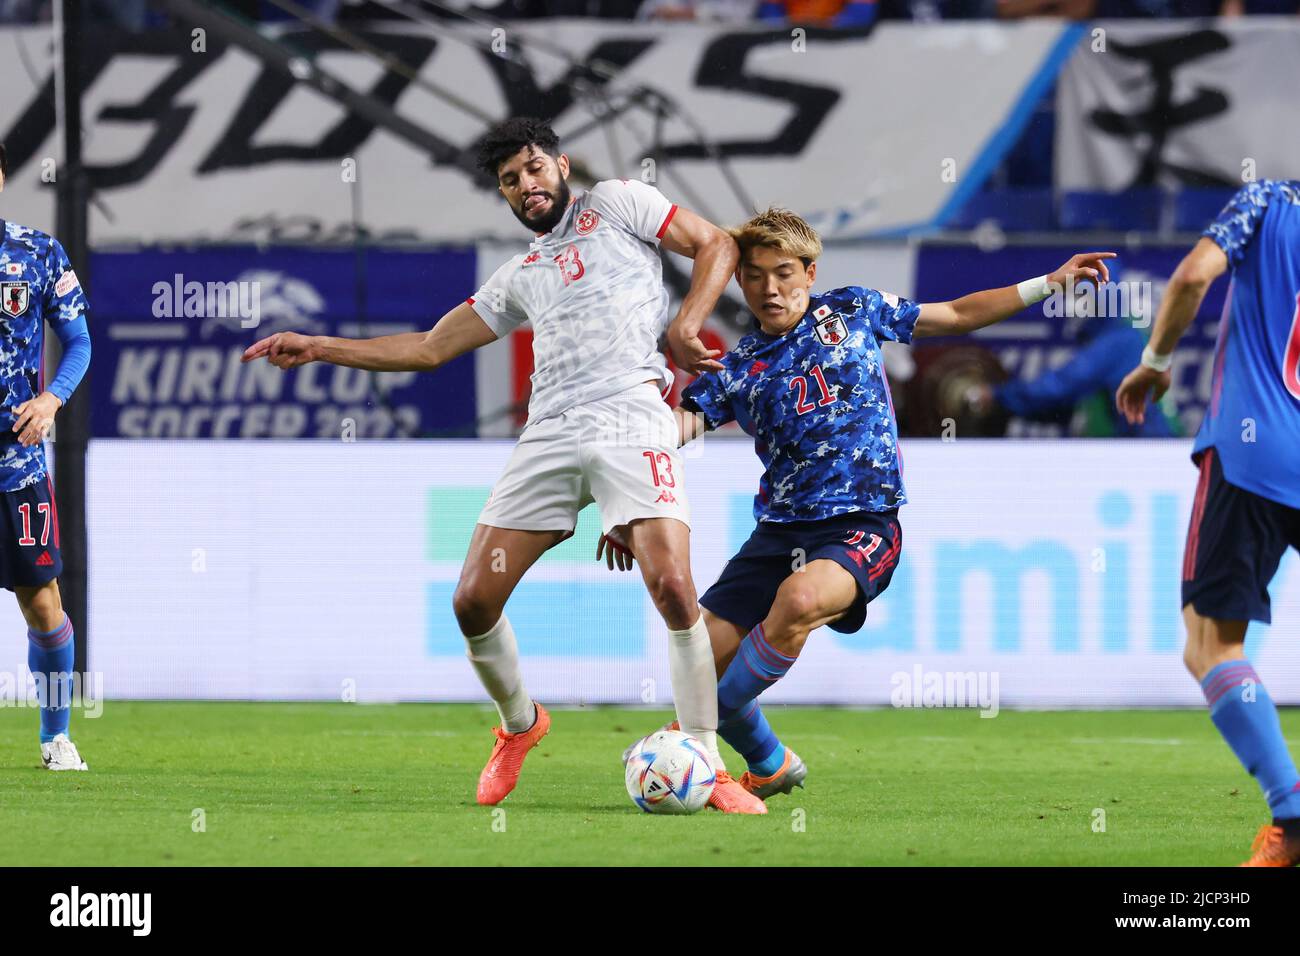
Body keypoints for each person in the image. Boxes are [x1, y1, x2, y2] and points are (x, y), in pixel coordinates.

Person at [242, 117, 767, 813]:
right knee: (472, 601)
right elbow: (429, 348)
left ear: (560, 164)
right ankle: (520, 725)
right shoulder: (519, 275)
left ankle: (707, 757)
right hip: (550, 433)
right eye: (511, 181)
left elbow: (717, 243)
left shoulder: (615, 202)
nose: (527, 185)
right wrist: (318, 345)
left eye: (534, 169)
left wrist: (686, 322)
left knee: (672, 584)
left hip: (629, 418)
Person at [603, 207, 1113, 799]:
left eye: (785, 273)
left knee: (797, 602)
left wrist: (1046, 283)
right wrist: (624, 502)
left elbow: (954, 315)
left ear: (811, 272)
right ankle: (768, 762)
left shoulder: (851, 311)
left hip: (861, 525)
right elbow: (669, 435)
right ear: (738, 280)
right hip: (778, 533)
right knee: (700, 658)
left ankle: (688, 740)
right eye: (756, 275)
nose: (772, 288)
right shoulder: (735, 368)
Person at [1116, 179, 1300, 867]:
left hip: (1254, 455)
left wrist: (1155, 362)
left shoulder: (1268, 203)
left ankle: (1292, 814)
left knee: (1211, 646)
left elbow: (1194, 274)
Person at [0, 142, 94, 771]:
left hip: (16, 463)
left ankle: (55, 736)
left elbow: (80, 342)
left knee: (42, 603)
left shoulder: (35, 252)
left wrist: (52, 399)